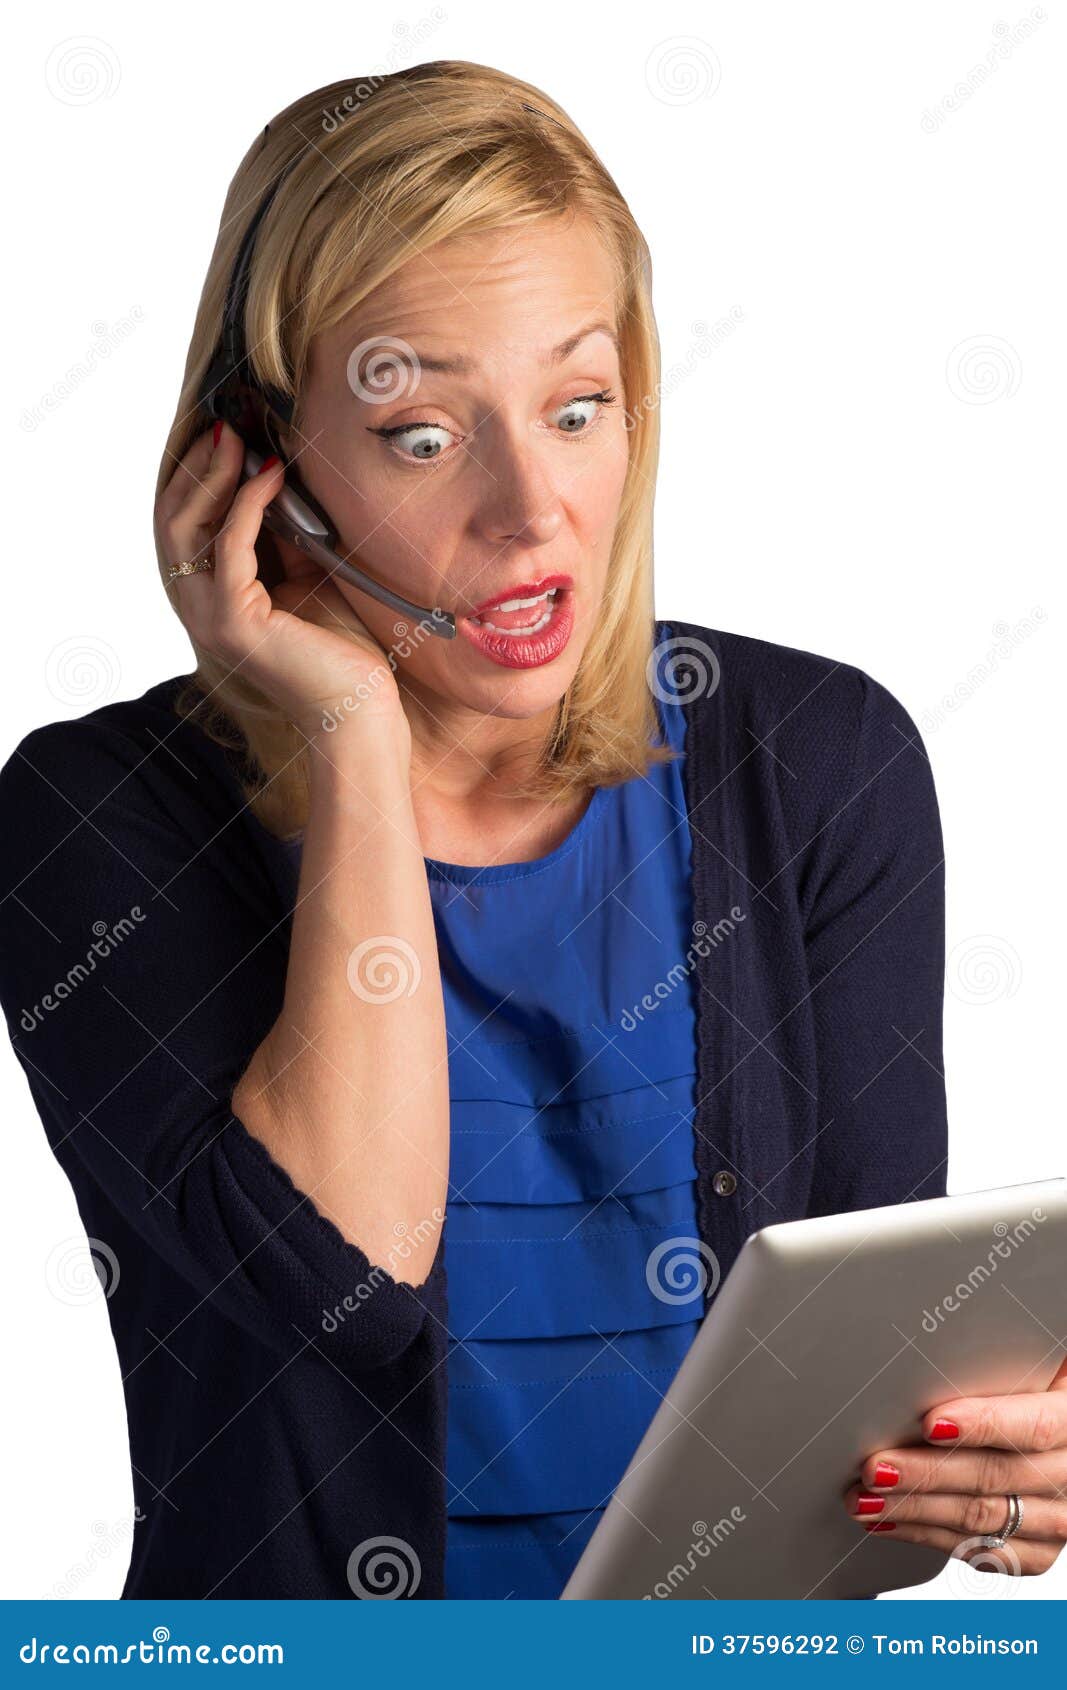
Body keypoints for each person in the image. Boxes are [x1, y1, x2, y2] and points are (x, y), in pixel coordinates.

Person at [1, 62, 1064, 1601]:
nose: (529, 509)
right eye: (423, 434)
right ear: (263, 464)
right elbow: (345, 1278)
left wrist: (990, 1467)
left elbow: (867, 1431)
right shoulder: (90, 822)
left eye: (575, 408)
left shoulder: (820, 766)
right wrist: (353, 735)